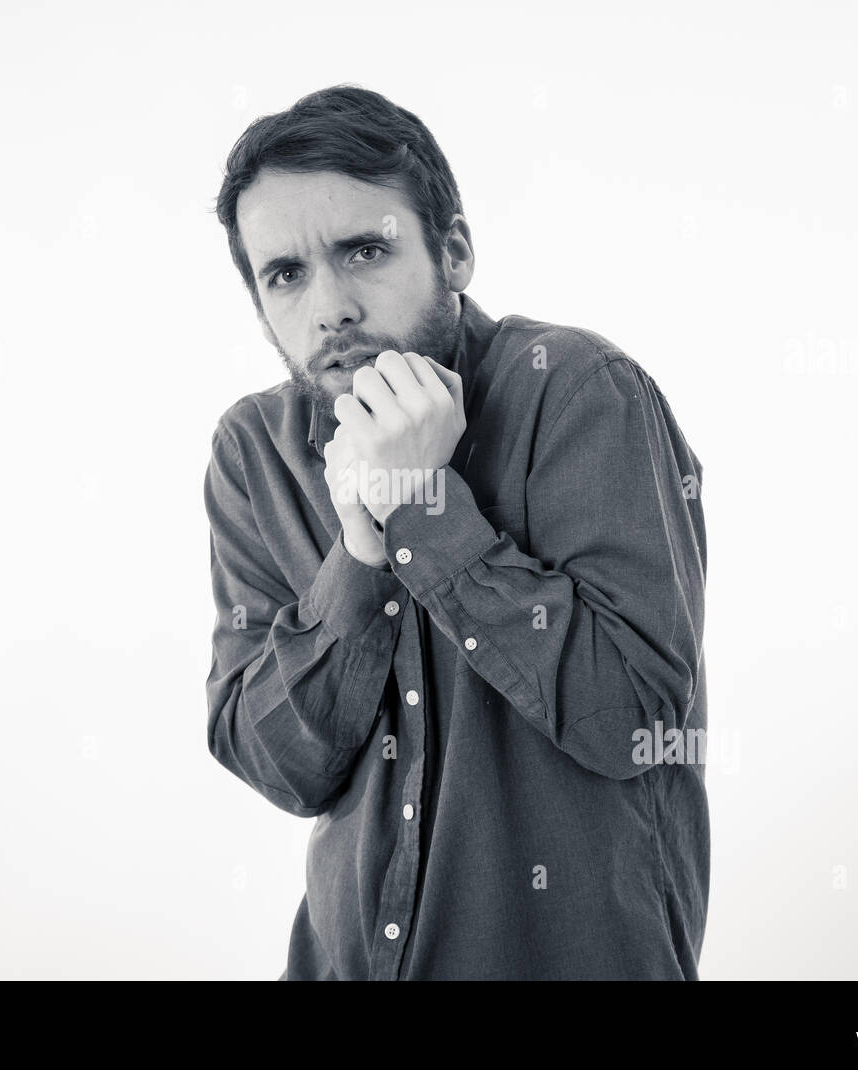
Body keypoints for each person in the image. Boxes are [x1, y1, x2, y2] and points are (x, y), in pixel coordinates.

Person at [203, 84, 709, 980]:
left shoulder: (581, 391)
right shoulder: (254, 453)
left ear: (456, 250)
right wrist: (361, 555)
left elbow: (632, 719)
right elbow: (276, 761)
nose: (330, 308)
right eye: (286, 273)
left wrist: (423, 503)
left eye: (364, 250)